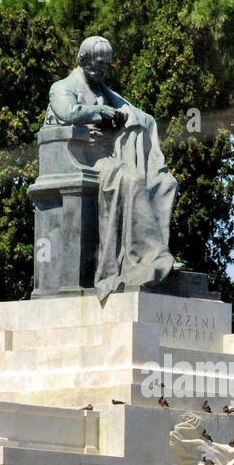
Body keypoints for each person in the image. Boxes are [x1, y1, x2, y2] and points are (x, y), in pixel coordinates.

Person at [45, 36, 178, 300]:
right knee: (130, 179)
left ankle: (156, 255)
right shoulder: (63, 87)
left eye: (106, 65)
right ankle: (141, 258)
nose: (103, 70)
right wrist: (100, 113)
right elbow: (67, 112)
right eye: (98, 64)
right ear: (83, 60)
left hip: (109, 156)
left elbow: (135, 112)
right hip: (84, 158)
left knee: (164, 184)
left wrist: (136, 119)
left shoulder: (104, 91)